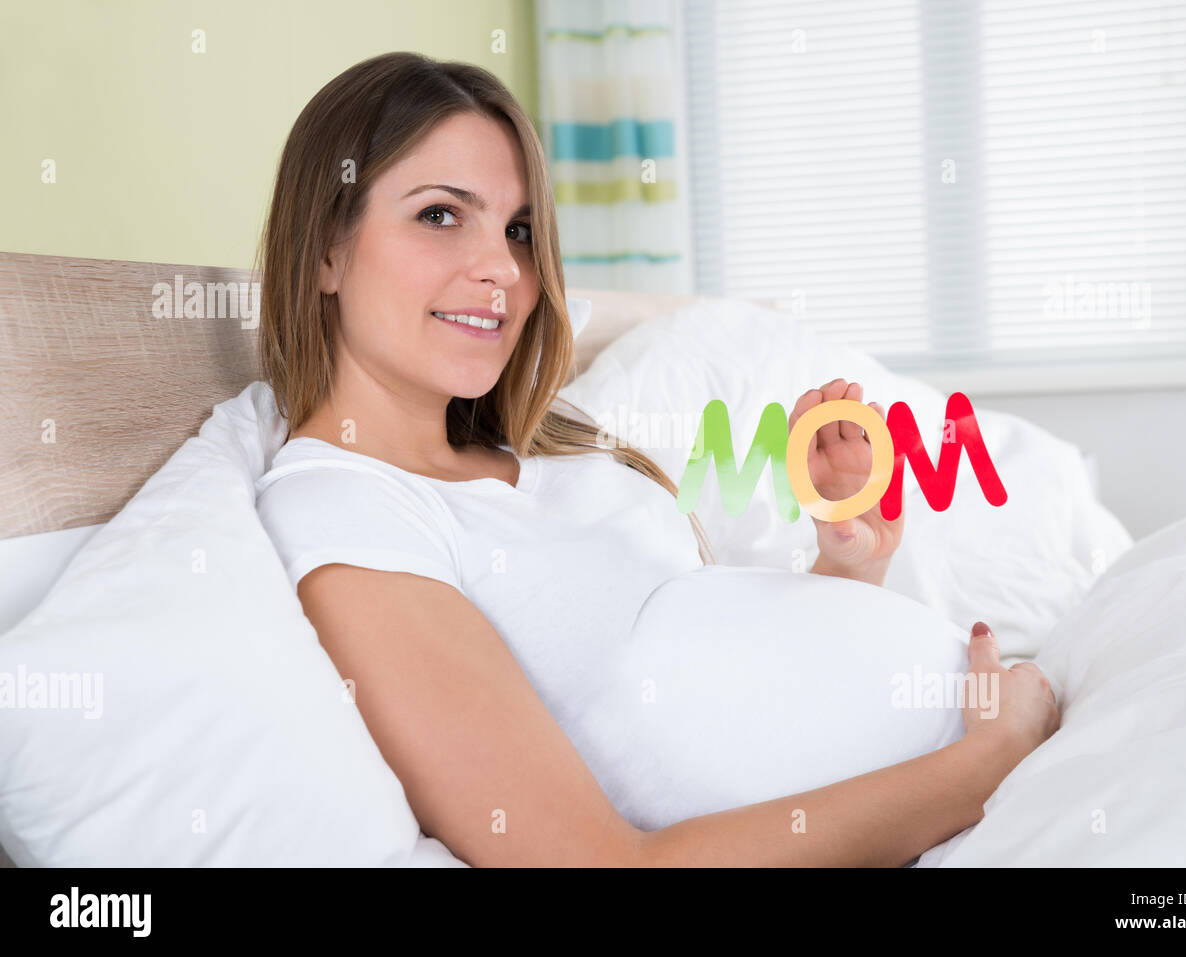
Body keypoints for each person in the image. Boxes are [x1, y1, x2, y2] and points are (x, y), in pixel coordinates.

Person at [253, 52, 1060, 867]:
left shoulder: (548, 449)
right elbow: (602, 863)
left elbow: (705, 700)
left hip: (1001, 764)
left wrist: (847, 566)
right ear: (326, 248)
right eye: (439, 215)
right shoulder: (348, 510)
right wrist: (988, 761)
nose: (502, 268)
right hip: (985, 787)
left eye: (520, 230)